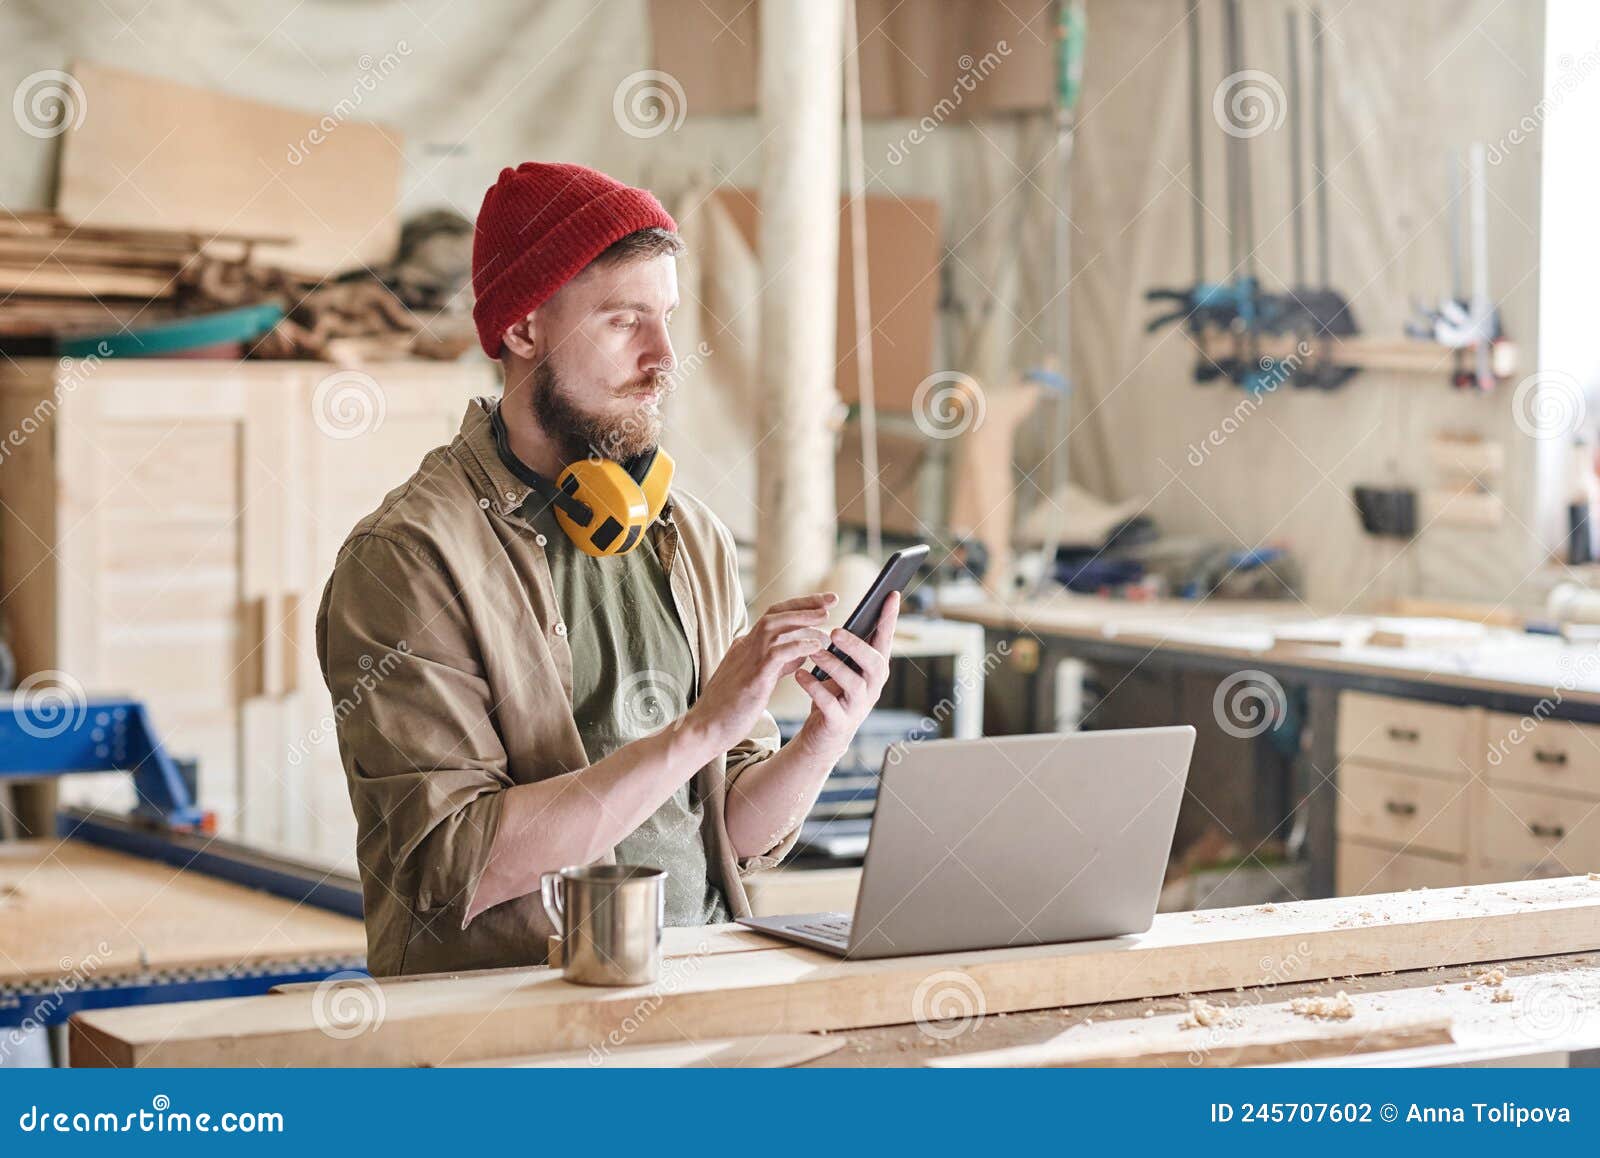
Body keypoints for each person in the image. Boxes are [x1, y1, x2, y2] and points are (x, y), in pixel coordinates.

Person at [316, 162, 899, 975]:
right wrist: (699, 728)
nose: (665, 358)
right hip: (510, 1038)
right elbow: (453, 869)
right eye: (626, 322)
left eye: (666, 318)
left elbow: (728, 829)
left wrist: (821, 743)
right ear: (522, 329)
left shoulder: (685, 534)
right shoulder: (410, 559)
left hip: (697, 998)